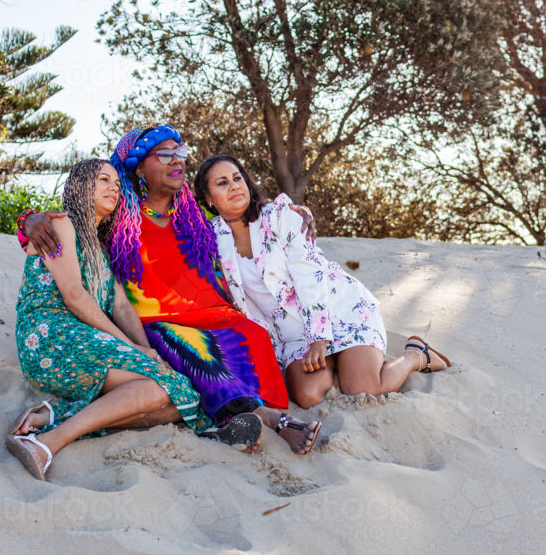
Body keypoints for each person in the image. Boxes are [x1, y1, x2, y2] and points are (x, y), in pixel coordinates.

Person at [20, 127, 321, 455]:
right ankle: (269, 417)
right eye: (164, 155)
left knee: (248, 338)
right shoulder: (118, 218)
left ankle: (227, 418)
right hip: (154, 321)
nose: (176, 160)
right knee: (185, 347)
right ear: (139, 168)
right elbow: (70, 230)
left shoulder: (194, 217)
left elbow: (246, 220)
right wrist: (28, 220)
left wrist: (292, 213)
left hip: (210, 314)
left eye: (180, 152)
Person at [7, 158, 263, 481]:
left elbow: (123, 307)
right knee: (161, 388)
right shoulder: (60, 224)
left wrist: (148, 350)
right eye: (103, 180)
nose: (113, 187)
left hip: (81, 342)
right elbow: (73, 294)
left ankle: (49, 417)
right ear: (77, 187)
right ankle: (47, 442)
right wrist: (129, 346)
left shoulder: (99, 247)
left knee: (176, 398)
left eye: (116, 182)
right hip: (50, 339)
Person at [194, 155, 452, 410]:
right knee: (308, 396)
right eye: (222, 183)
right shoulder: (211, 239)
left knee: (364, 389)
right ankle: (348, 365)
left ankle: (413, 356)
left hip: (339, 313)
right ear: (209, 198)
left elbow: (309, 276)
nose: (234, 186)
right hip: (295, 337)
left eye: (237, 178)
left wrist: (319, 339)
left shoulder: (280, 216)